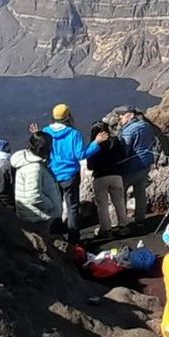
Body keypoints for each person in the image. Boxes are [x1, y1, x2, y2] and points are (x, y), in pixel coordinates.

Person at [35, 104, 107, 245]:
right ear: (68, 117)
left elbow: (42, 149)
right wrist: (96, 143)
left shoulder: (46, 132)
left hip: (52, 175)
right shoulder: (74, 134)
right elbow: (81, 155)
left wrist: (37, 134)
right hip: (70, 176)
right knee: (72, 207)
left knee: (56, 206)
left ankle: (55, 235)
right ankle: (74, 240)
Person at [10, 131, 63, 234]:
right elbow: (33, 196)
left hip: (33, 215)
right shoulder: (34, 168)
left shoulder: (29, 160)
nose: (52, 149)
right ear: (43, 149)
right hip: (39, 218)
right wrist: (50, 205)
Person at [86, 121, 129, 238]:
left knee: (102, 206)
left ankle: (106, 230)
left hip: (100, 177)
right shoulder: (115, 142)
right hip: (116, 175)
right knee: (119, 203)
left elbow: (89, 166)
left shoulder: (93, 146)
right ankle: (124, 226)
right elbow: (122, 156)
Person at [119, 107, 158, 227]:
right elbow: (152, 140)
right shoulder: (146, 126)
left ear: (130, 115)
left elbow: (124, 149)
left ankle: (122, 220)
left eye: (122, 115)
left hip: (132, 166)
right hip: (146, 164)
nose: (120, 119)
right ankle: (140, 219)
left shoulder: (128, 131)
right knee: (140, 192)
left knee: (121, 193)